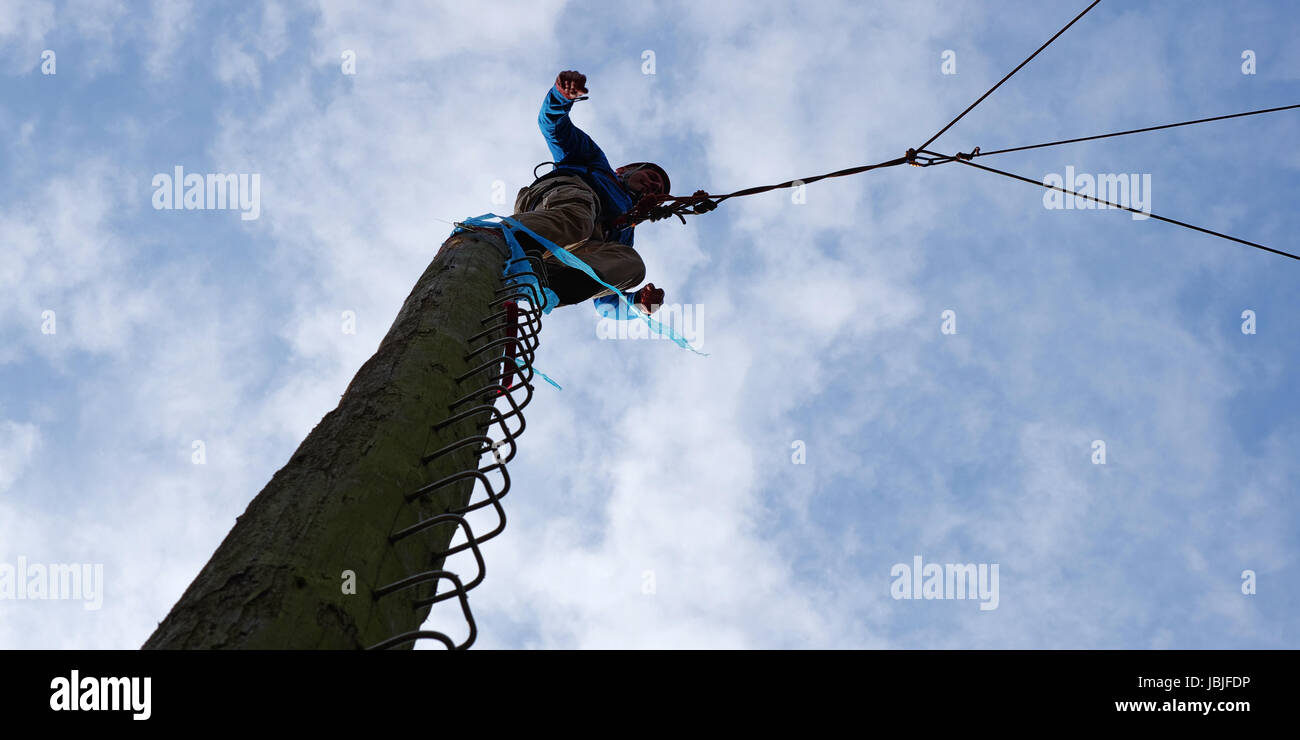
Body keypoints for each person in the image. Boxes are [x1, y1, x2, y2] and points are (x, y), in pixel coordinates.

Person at [507, 70, 668, 318]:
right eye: (651, 177)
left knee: (632, 265)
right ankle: (502, 241)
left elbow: (607, 304)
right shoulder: (594, 163)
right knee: (580, 218)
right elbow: (554, 127)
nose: (653, 186)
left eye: (658, 191)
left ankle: (546, 286)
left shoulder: (625, 232)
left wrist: (637, 303)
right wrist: (561, 97)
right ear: (624, 170)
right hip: (562, 199)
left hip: (559, 253)